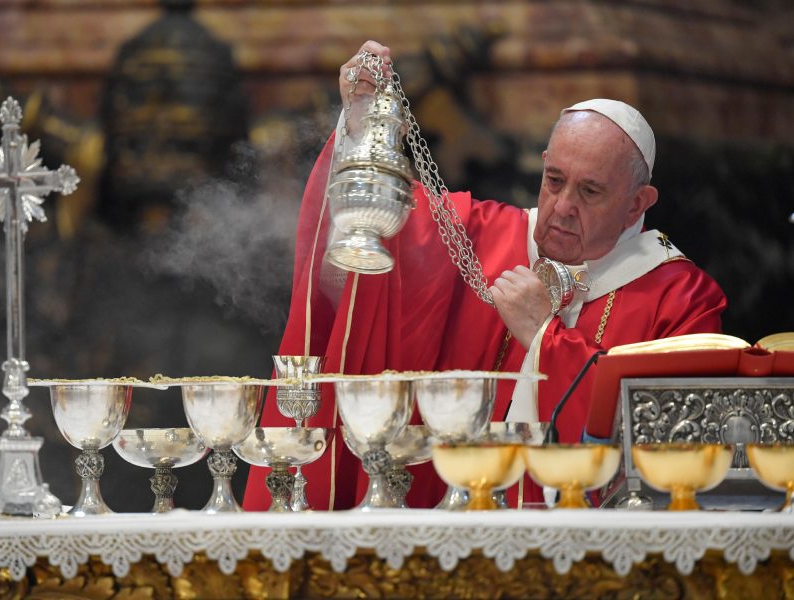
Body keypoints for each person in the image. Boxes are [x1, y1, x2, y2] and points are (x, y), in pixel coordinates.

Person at [243, 40, 727, 511]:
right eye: (554, 180)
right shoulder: (484, 237)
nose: (561, 207)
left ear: (636, 205)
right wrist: (364, 126)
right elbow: (377, 239)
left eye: (590, 192)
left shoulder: (682, 298)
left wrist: (545, 336)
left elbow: (668, 453)